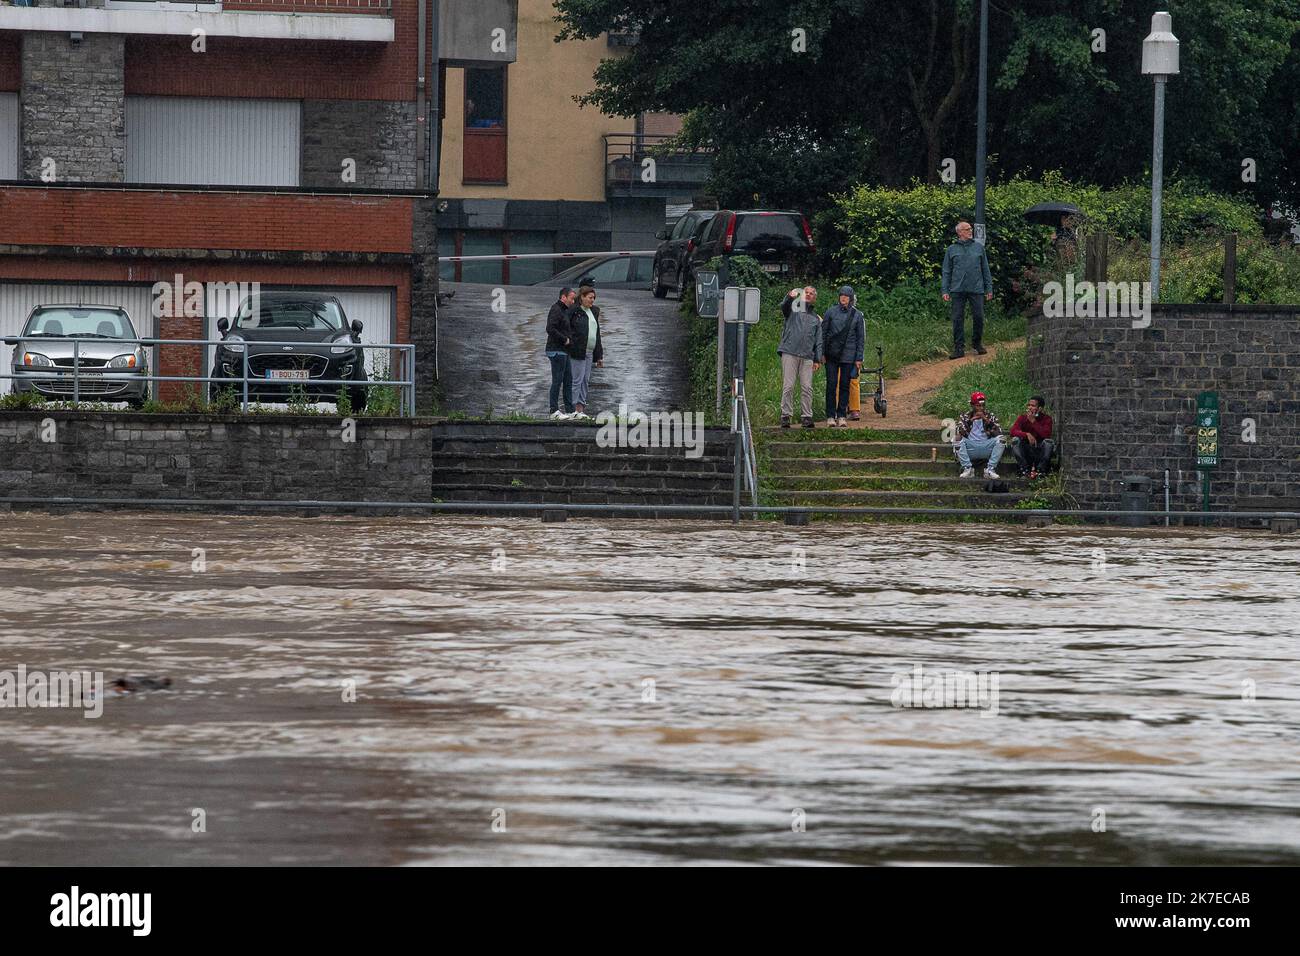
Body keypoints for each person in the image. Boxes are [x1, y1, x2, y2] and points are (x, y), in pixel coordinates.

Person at [941, 221, 993, 360]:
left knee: (979, 317)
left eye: (970, 228)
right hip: (957, 289)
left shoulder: (979, 247)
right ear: (959, 232)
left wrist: (989, 288)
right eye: (967, 229)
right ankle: (959, 348)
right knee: (957, 318)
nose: (971, 231)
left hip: (976, 289)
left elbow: (985, 269)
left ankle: (977, 343)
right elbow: (946, 271)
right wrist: (945, 290)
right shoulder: (951, 249)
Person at [778, 286, 823, 429]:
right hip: (790, 352)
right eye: (806, 293)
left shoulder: (816, 318)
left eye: (811, 294)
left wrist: (817, 359)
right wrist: (790, 296)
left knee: (807, 387)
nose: (809, 295)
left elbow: (819, 340)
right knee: (788, 386)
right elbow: (784, 307)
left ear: (814, 298)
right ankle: (785, 416)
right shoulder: (793, 309)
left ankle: (807, 417)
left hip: (807, 356)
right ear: (802, 296)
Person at [821, 284, 864, 427]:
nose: (843, 298)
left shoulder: (857, 315)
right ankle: (830, 416)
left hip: (849, 356)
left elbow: (860, 338)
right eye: (841, 295)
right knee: (831, 385)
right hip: (831, 355)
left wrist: (858, 358)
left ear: (851, 298)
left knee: (845, 386)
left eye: (846, 296)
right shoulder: (830, 312)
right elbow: (823, 334)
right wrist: (821, 353)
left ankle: (841, 416)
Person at [566, 285, 603, 420]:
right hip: (578, 351)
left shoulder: (593, 312)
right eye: (590, 297)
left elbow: (596, 334)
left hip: (590, 351)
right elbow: (567, 328)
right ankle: (572, 408)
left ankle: (580, 408)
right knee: (577, 379)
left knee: (585, 381)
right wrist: (571, 342)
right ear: (582, 297)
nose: (592, 300)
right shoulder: (574, 311)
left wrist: (599, 355)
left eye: (593, 298)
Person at [953, 391, 1005, 479]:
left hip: (986, 446)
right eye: (978, 406)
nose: (981, 408)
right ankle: (968, 468)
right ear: (972, 405)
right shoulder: (965, 416)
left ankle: (990, 469)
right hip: (971, 447)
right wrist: (971, 420)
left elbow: (998, 432)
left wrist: (986, 420)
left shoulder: (990, 415)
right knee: (957, 438)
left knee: (1002, 439)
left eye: (983, 405)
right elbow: (960, 432)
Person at [545, 287, 577, 419]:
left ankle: (570, 410)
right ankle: (554, 410)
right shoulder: (556, 309)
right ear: (563, 297)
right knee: (557, 380)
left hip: (564, 352)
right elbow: (550, 328)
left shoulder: (564, 311)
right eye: (571, 298)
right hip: (556, 351)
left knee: (568, 380)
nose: (573, 301)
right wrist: (565, 339)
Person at [1009, 395, 1055, 478]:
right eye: (1029, 405)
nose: (1029, 408)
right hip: (1026, 450)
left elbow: (1046, 434)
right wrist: (1026, 434)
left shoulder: (1047, 419)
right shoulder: (1022, 418)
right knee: (1015, 440)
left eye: (1033, 406)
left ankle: (1041, 471)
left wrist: (1033, 422)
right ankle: (1024, 469)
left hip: (1040, 450)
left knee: (1049, 443)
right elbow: (1012, 431)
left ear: (1040, 408)